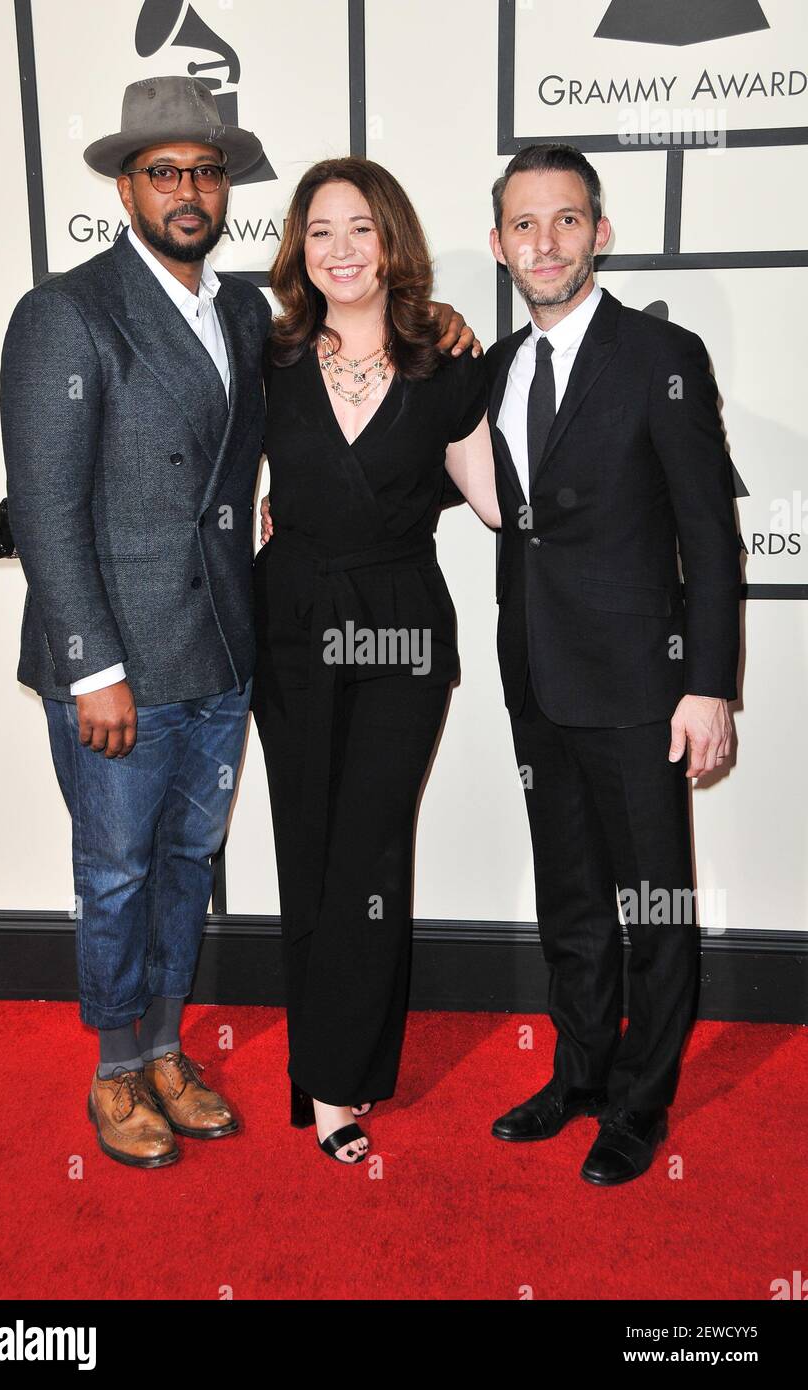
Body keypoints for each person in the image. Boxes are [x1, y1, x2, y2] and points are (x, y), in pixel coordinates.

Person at [0, 76, 477, 1170]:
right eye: (164, 169)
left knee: (183, 861)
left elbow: (337, 406)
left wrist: (435, 322)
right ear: (125, 185)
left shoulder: (245, 316)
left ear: (226, 190)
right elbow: (44, 503)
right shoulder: (64, 311)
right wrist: (88, 667)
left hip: (227, 651)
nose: (188, 188)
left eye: (206, 170)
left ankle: (167, 1047)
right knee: (114, 869)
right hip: (118, 657)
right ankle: (117, 1069)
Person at [486, 144, 742, 1185]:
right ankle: (580, 1074)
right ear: (500, 242)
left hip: (645, 680)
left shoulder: (660, 354)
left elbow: (710, 538)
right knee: (572, 897)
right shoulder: (497, 366)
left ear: (598, 230)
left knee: (654, 902)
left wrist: (709, 685)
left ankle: (640, 1101)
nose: (542, 242)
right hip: (538, 676)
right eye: (521, 224)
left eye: (563, 219)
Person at [251, 157, 500, 1164]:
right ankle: (315, 1080)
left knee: (368, 853)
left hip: (401, 626)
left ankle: (344, 1078)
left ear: (391, 239)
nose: (340, 249)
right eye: (319, 230)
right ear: (297, 250)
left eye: (359, 228)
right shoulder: (261, 357)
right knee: (305, 847)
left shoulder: (447, 364)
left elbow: (490, 502)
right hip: (292, 619)